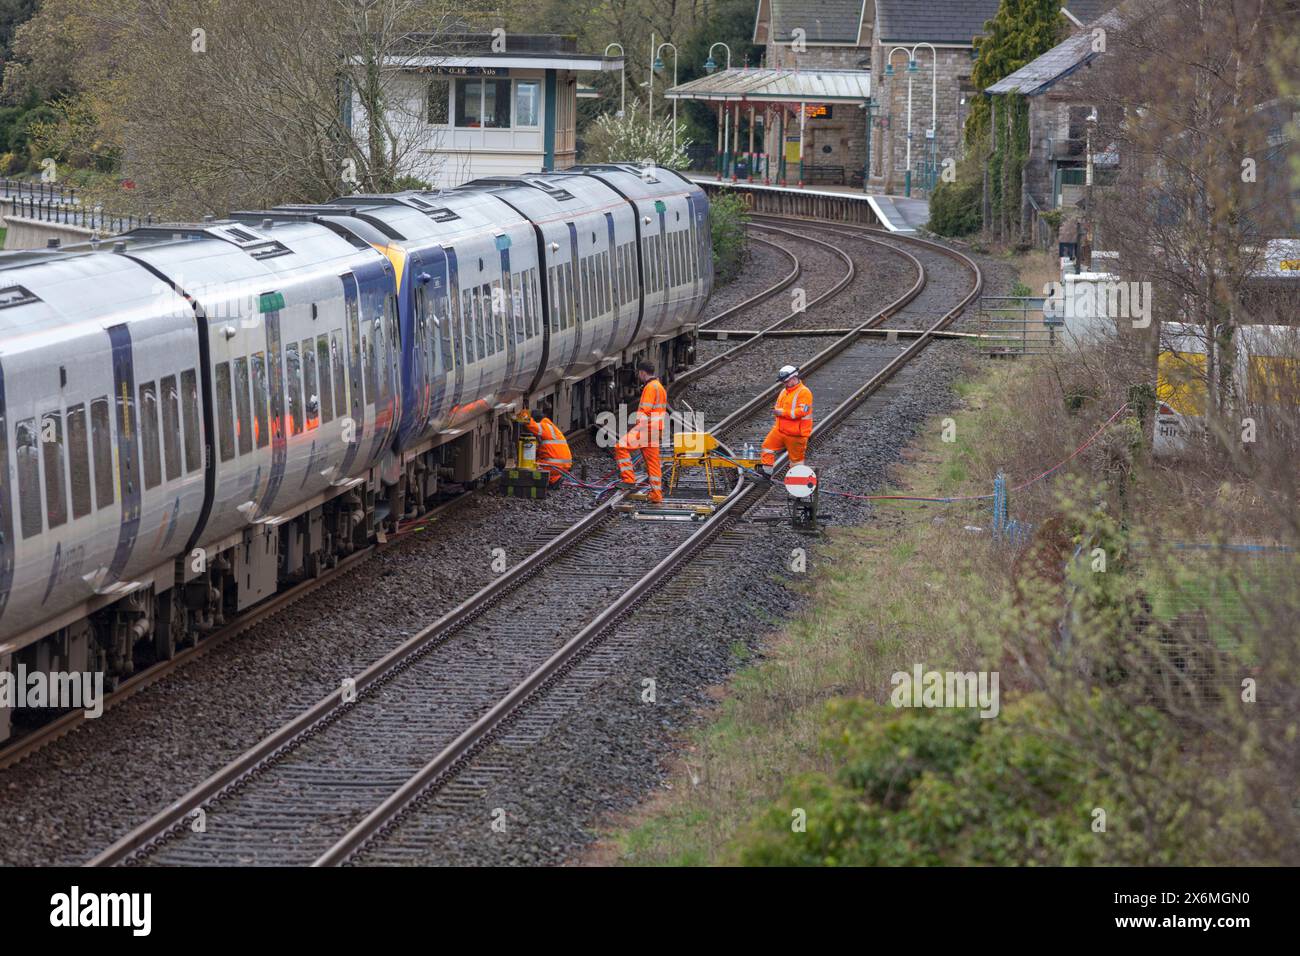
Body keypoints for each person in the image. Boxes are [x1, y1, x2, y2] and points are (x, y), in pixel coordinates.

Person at [614, 360, 667, 503]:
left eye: (639, 373)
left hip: (646, 429)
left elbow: (644, 410)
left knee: (621, 446)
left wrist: (638, 428)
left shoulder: (650, 388)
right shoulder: (660, 387)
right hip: (655, 430)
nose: (639, 375)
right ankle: (656, 495)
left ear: (643, 372)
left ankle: (629, 480)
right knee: (653, 464)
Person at [758, 364, 813, 477]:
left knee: (796, 462)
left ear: (794, 378)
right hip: (780, 430)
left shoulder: (804, 392)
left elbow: (802, 411)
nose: (785, 384)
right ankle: (766, 474)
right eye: (783, 382)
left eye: (786, 381)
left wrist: (783, 413)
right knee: (767, 447)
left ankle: (797, 488)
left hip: (796, 434)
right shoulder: (784, 391)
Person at [519, 409, 572, 485]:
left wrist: (522, 413)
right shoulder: (552, 428)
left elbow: (531, 425)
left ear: (537, 420)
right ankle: (554, 480)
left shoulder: (544, 426)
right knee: (538, 463)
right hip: (564, 465)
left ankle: (549, 480)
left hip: (555, 465)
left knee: (528, 466)